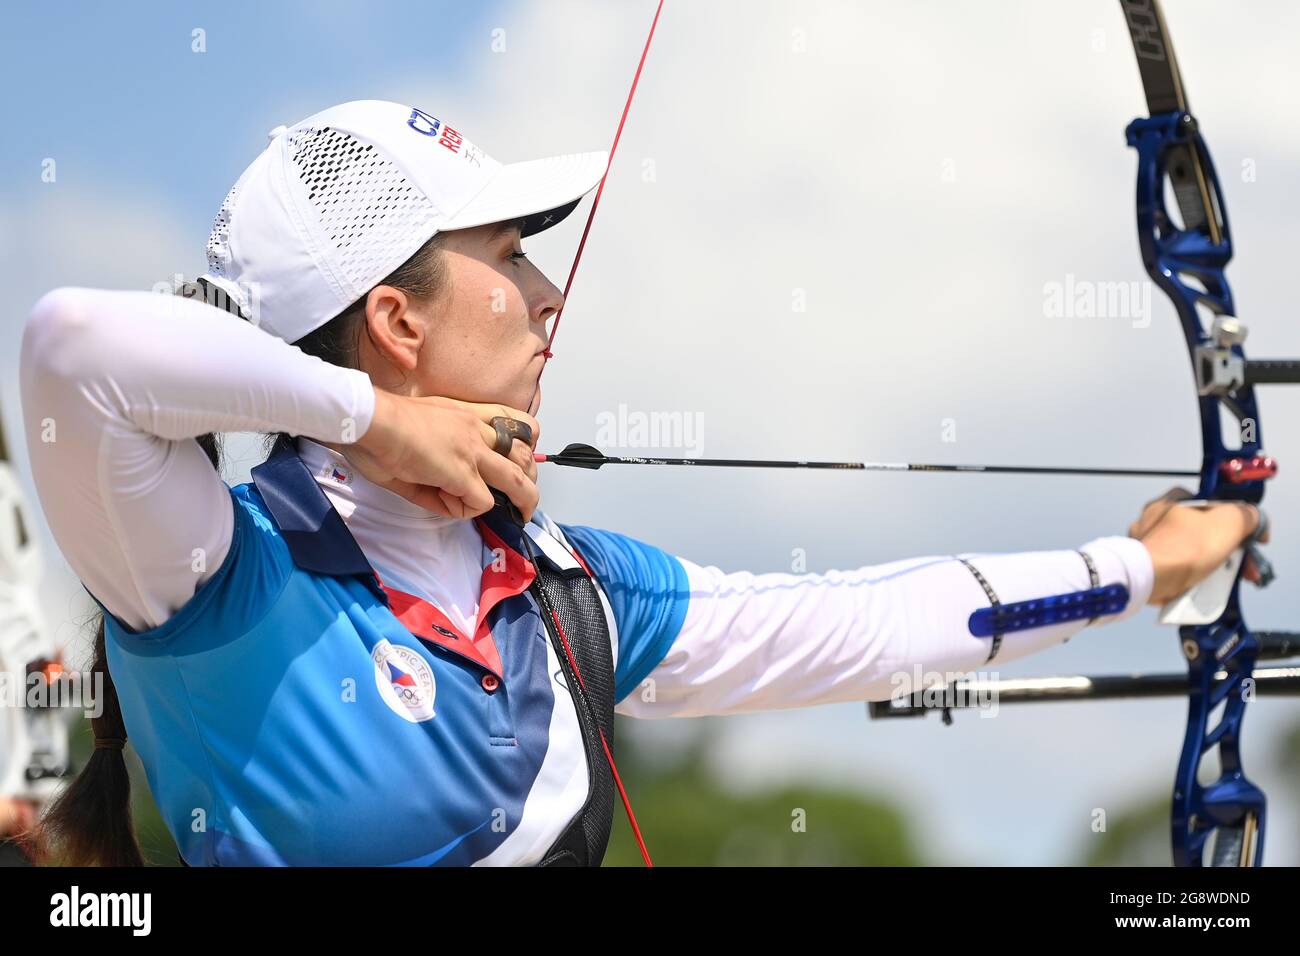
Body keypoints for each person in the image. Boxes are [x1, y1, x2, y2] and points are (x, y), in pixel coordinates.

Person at [18, 100, 1265, 867]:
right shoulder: (213, 564)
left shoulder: (571, 592)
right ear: (394, 320)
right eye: (510, 256)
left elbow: (876, 621)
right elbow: (71, 346)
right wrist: (381, 423)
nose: (552, 294)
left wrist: (1140, 564)